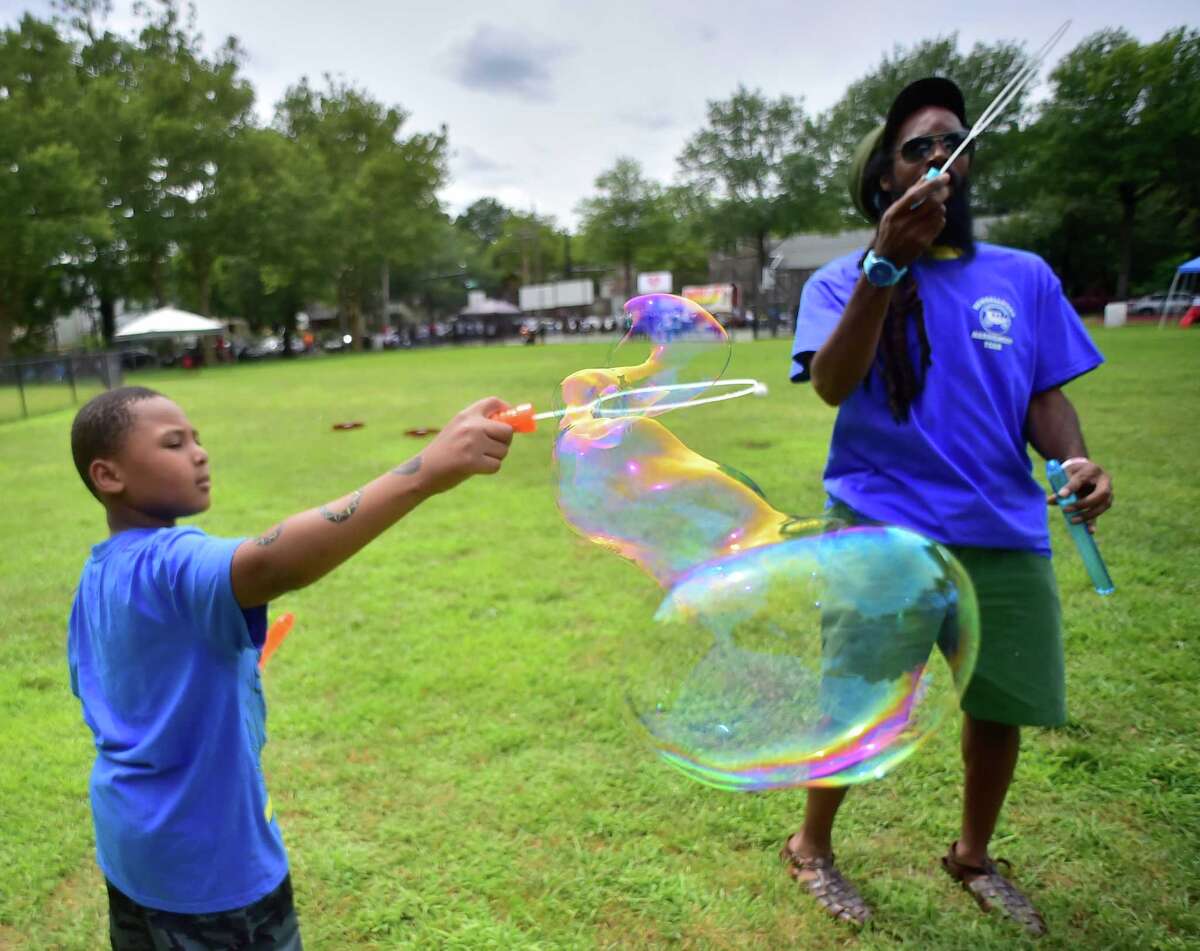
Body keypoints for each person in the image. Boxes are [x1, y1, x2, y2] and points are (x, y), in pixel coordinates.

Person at [784, 77, 1113, 936]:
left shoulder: (1024, 276)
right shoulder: (837, 280)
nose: (942, 157)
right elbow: (832, 381)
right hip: (880, 524)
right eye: (919, 147)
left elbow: (1044, 395)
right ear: (885, 182)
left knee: (998, 704)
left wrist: (1073, 456)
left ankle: (972, 855)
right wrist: (883, 267)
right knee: (857, 700)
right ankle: (811, 846)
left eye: (955, 143)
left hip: (1004, 528)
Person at [68, 386, 514, 949]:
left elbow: (125, 685)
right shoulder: (171, 560)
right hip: (211, 870)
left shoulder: (98, 576)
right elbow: (269, 561)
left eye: (197, 439)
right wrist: (425, 470)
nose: (199, 453)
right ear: (109, 476)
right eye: (174, 443)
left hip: (132, 849)